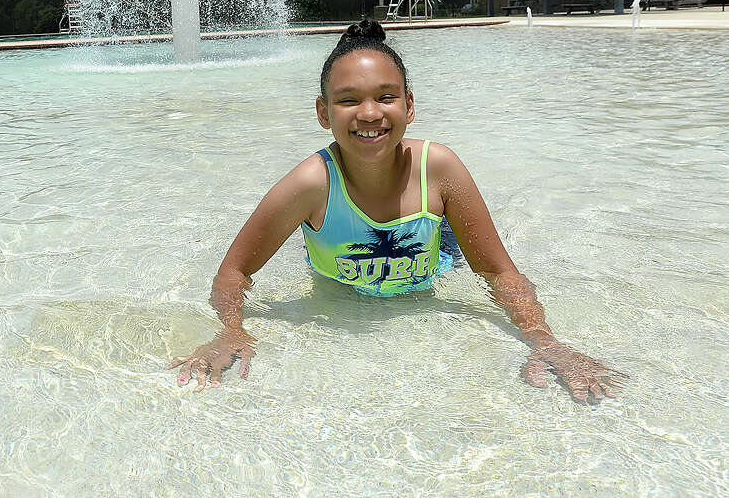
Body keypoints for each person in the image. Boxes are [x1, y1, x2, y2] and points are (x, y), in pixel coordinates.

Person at [169, 20, 624, 402]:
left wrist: (544, 339)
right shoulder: (311, 184)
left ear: (409, 105)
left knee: (454, 250)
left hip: (432, 257)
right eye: (348, 100)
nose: (369, 113)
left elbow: (499, 271)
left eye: (386, 97)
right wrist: (231, 331)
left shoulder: (440, 167)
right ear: (323, 112)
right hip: (343, 281)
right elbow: (233, 274)